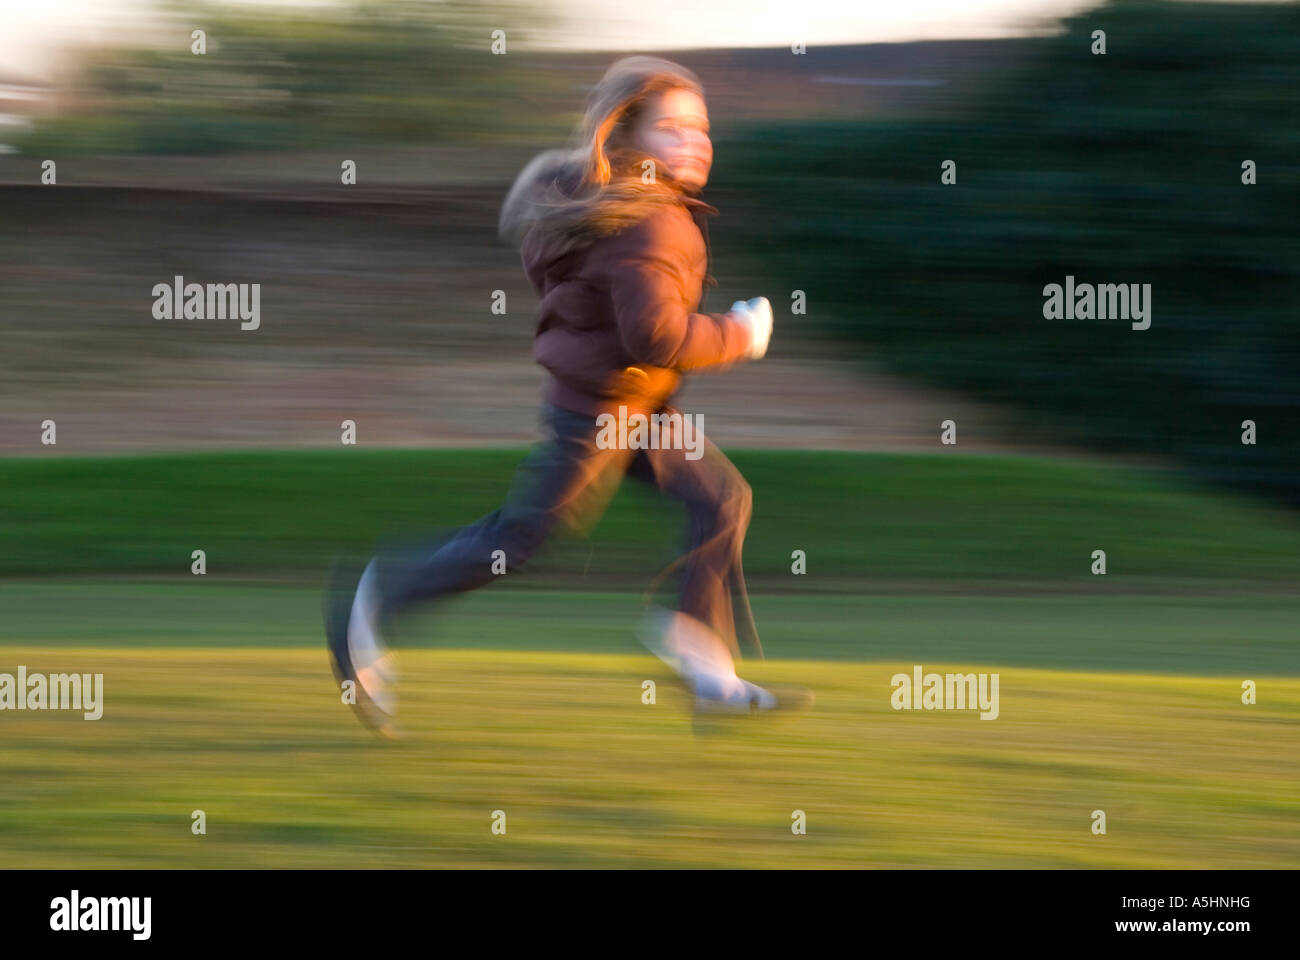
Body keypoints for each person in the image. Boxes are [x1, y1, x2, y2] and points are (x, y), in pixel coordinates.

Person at [326, 55, 810, 738]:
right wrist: (740, 332)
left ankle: (703, 661)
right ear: (631, 140)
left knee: (721, 499)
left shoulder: (613, 207)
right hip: (602, 414)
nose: (695, 142)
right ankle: (375, 599)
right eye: (673, 129)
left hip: (632, 407)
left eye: (700, 128)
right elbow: (657, 337)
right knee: (523, 539)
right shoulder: (651, 222)